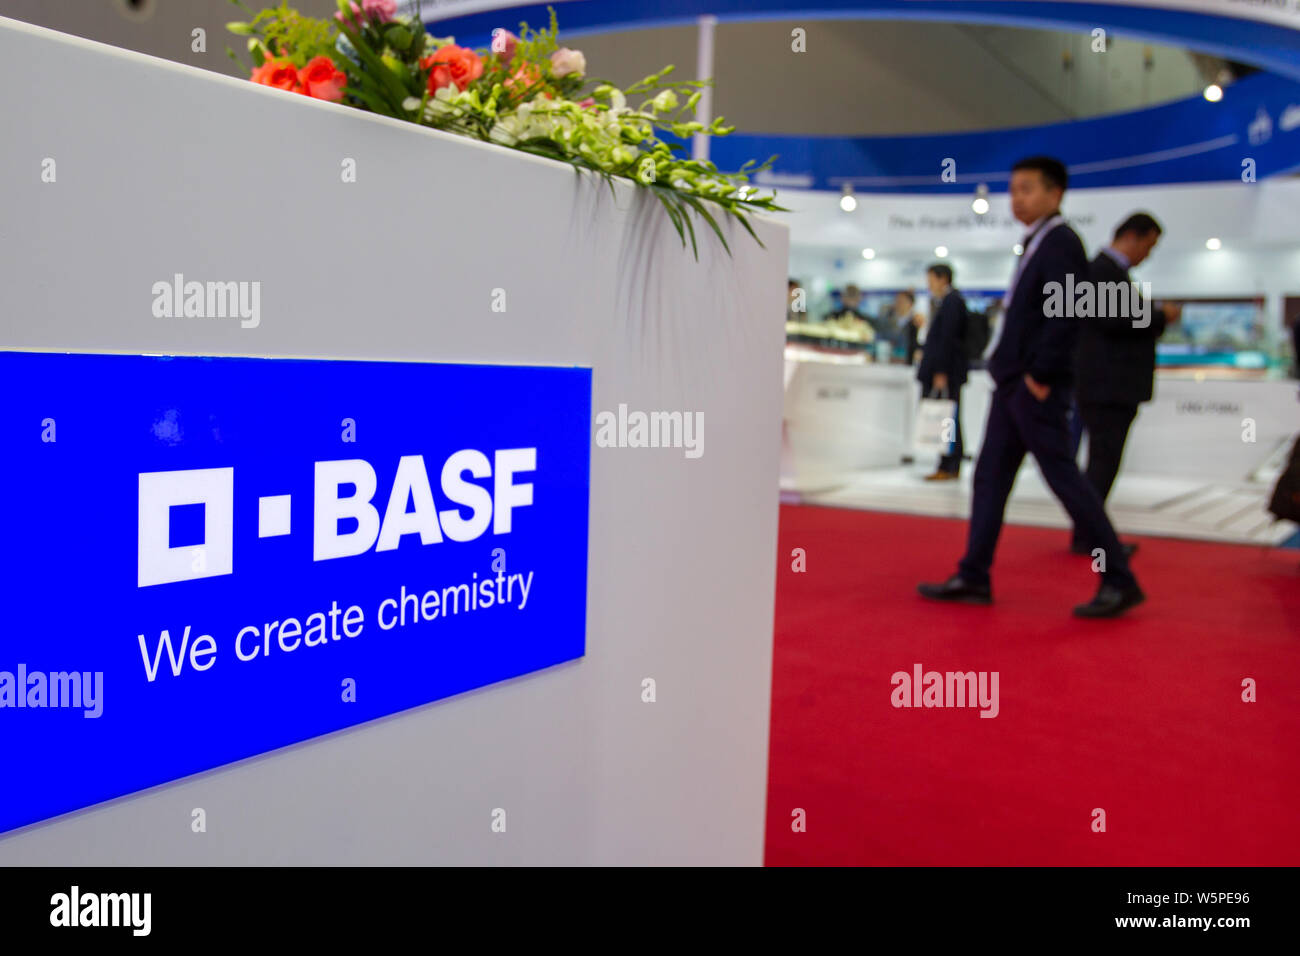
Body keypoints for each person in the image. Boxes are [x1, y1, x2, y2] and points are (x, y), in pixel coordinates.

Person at [917, 156, 1144, 618]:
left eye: (1027, 189)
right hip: (1014, 386)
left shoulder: (1060, 243)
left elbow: (1068, 314)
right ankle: (974, 575)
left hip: (1032, 387)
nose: (1017, 198)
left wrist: (1040, 376)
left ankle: (1119, 578)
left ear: (1055, 193)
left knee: (1064, 479)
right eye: (1013, 189)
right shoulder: (1039, 242)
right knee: (989, 478)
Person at [1069, 212, 1180, 556]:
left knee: (1102, 462)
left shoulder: (1109, 273)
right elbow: (1112, 320)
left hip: (1107, 387)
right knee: (1103, 462)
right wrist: (1160, 316)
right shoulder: (1101, 271)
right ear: (1132, 236)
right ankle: (1091, 536)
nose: (1148, 254)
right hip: (1107, 388)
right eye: (1148, 245)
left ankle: (1090, 533)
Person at [916, 264, 969, 480]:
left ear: (943, 279)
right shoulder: (947, 302)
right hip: (945, 371)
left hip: (946, 373)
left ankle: (948, 464)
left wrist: (940, 371)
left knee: (948, 419)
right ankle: (949, 463)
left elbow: (948, 340)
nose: (929, 285)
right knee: (949, 418)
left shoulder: (952, 302)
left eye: (931, 280)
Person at [896, 290, 923, 365]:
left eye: (902, 301)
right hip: (894, 359)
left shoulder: (916, 320)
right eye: (898, 301)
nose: (899, 304)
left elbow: (918, 341)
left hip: (909, 361)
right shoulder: (892, 320)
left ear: (910, 304)